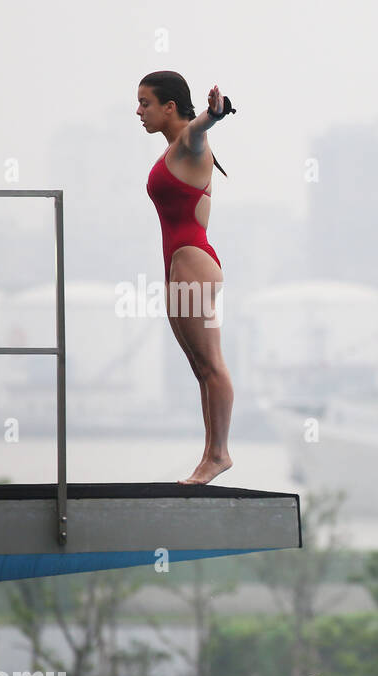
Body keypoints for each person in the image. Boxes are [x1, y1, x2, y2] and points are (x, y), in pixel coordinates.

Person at [137, 70, 237, 485]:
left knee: (211, 365)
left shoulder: (190, 143)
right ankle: (211, 453)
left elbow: (200, 130)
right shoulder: (171, 151)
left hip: (194, 262)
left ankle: (217, 455)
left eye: (145, 103)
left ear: (169, 107)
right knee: (201, 368)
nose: (139, 111)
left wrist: (214, 114)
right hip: (180, 264)